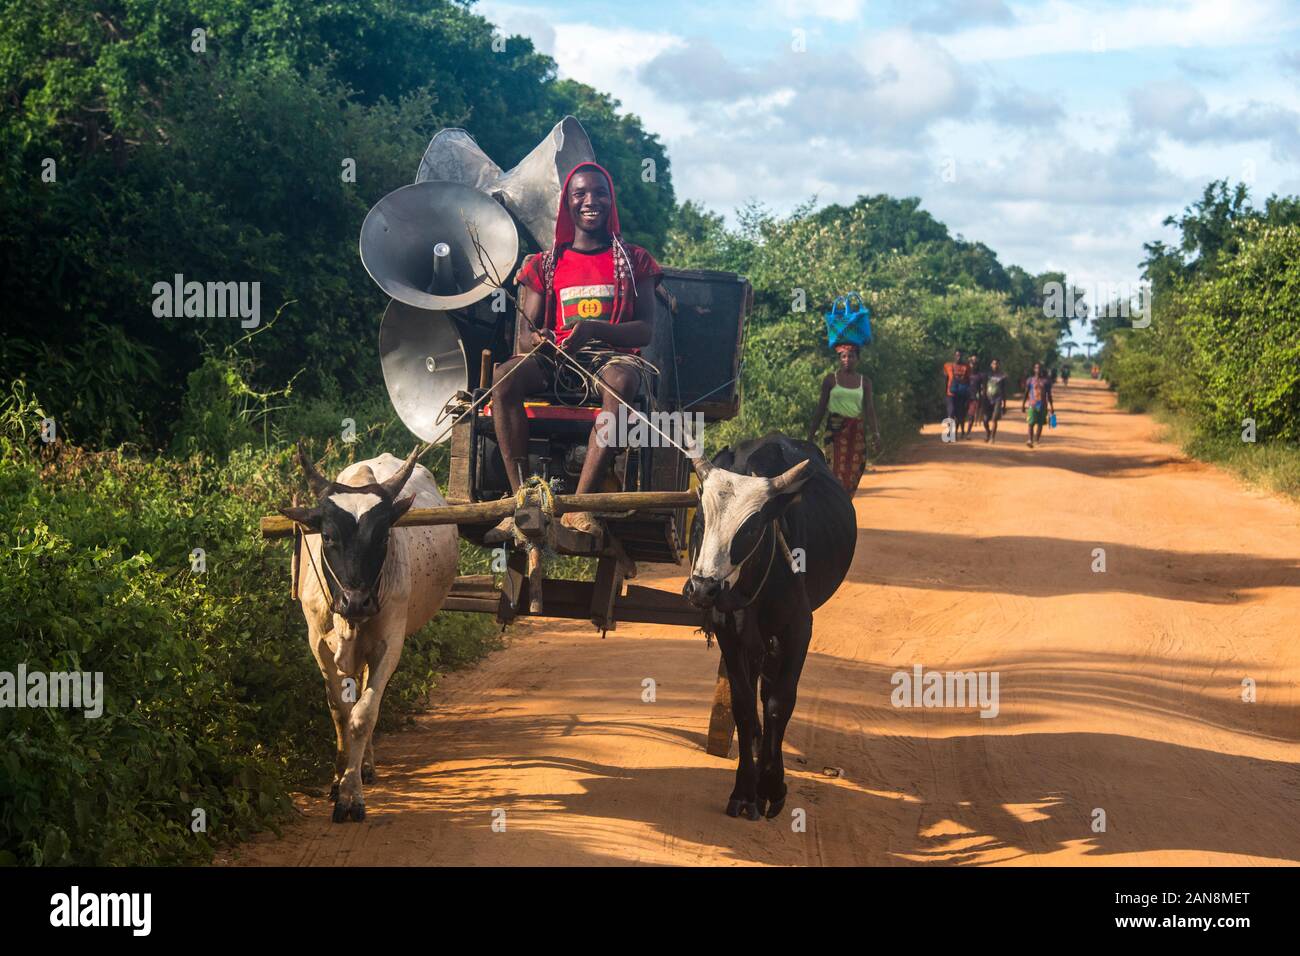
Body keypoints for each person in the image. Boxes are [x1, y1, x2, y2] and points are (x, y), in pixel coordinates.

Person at [487, 162, 663, 542]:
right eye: (579, 194)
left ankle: (579, 507)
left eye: (600, 192)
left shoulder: (634, 261)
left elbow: (645, 330)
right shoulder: (546, 264)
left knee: (620, 382)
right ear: (567, 204)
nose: (590, 201)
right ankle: (522, 500)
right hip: (557, 359)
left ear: (611, 201)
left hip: (610, 357)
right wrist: (542, 339)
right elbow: (525, 337)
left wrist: (595, 330)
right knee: (503, 378)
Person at [809, 342, 882, 494]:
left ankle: (844, 504)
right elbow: (821, 408)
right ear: (839, 359)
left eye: (851, 356)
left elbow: (869, 409)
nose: (847, 359)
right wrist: (811, 434)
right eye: (843, 356)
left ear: (858, 359)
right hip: (834, 431)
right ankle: (833, 501)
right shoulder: (830, 380)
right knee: (832, 467)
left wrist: (876, 434)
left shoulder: (865, 382)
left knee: (854, 470)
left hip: (856, 433)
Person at [1020, 361, 1055, 448]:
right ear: (1034, 369)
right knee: (1030, 423)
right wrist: (1023, 405)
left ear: (1042, 369)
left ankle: (1036, 440)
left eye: (1039, 368)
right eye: (1036, 368)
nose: (1038, 369)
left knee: (1040, 423)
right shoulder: (1030, 380)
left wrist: (1051, 406)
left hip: (1043, 405)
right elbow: (1026, 393)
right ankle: (1030, 440)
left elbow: (1049, 395)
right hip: (1032, 404)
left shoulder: (1046, 381)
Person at [942, 348, 970, 439]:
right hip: (950, 394)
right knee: (951, 413)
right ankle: (949, 435)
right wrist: (945, 393)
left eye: (960, 355)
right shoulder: (947, 366)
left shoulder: (966, 367)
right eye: (957, 355)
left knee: (959, 415)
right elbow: (945, 380)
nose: (959, 357)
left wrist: (968, 395)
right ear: (954, 356)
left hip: (961, 395)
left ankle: (955, 434)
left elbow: (968, 381)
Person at [981, 357, 1008, 443]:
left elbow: (1004, 391)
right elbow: (984, 387)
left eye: (996, 364)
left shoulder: (1002, 376)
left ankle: (992, 437)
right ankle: (988, 433)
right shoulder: (987, 375)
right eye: (993, 363)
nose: (995, 365)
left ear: (999, 365)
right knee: (985, 420)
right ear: (991, 365)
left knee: (994, 419)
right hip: (987, 399)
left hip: (997, 399)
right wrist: (983, 399)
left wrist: (1004, 405)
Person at [963, 353, 983, 438]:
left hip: (973, 398)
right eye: (971, 362)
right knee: (961, 415)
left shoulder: (979, 376)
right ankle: (960, 431)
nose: (973, 365)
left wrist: (980, 397)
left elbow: (981, 388)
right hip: (963, 397)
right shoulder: (965, 374)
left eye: (974, 363)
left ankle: (968, 433)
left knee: (971, 416)